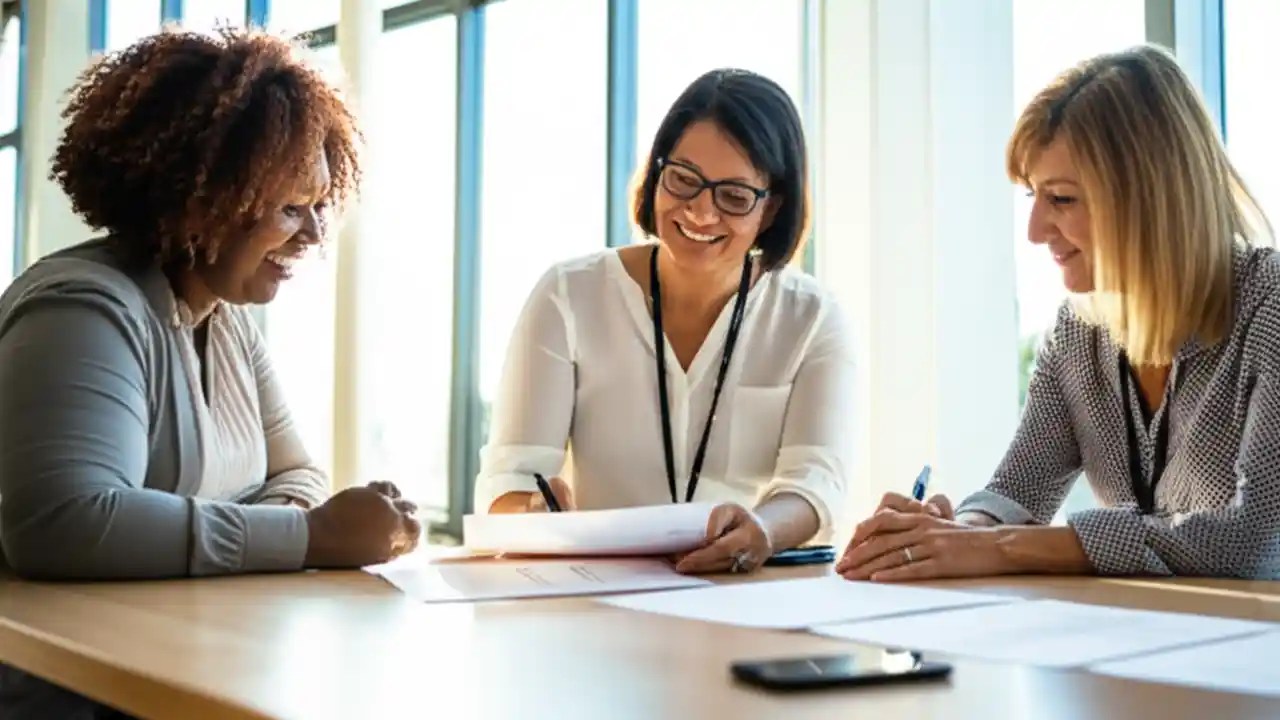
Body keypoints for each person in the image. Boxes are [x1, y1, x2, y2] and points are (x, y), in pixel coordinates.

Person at [0, 26, 421, 717]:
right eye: (291, 208)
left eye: (320, 207)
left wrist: (266, 529)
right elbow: (66, 524)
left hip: (181, 653)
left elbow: (298, 476)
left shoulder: (222, 319)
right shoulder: (82, 308)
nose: (314, 236)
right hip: (66, 687)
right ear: (200, 199)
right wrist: (312, 537)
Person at [837, 44, 1280, 583]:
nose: (1034, 231)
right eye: (1033, 197)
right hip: (1142, 639)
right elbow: (1019, 490)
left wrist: (999, 547)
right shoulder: (1076, 332)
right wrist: (958, 530)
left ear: (1148, 197)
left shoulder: (1269, 304)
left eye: (1063, 200)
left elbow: (1253, 541)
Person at [475, 68, 856, 575]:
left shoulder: (812, 317)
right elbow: (512, 474)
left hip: (751, 590)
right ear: (657, 174)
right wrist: (532, 514)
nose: (700, 212)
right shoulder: (567, 294)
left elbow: (816, 481)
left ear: (771, 210)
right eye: (683, 180)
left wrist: (762, 530)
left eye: (734, 196)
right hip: (600, 594)